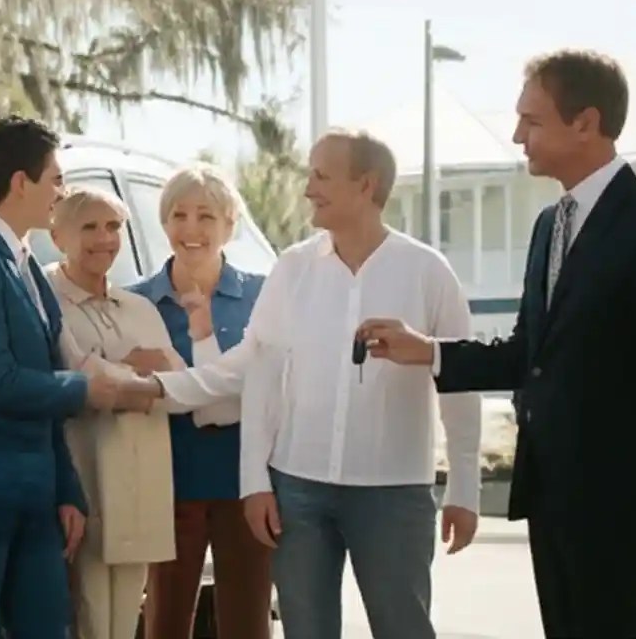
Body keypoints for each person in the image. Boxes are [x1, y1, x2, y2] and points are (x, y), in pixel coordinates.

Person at [359, 49, 636, 639]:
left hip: (616, 500)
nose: (518, 134)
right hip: (550, 493)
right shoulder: (550, 224)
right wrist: (430, 349)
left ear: (586, 123)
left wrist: (569, 406)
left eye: (532, 120)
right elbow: (530, 351)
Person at [129, 132, 482, 639]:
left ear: (366, 184)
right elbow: (253, 371)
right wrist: (253, 482)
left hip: (393, 493)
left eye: (320, 175)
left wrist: (464, 487)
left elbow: (460, 381)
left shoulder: (428, 271)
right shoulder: (293, 268)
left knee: (403, 628)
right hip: (297, 492)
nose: (308, 188)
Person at [0, 116, 152, 639]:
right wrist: (88, 390)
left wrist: (65, 489)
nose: (61, 193)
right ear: (21, 183)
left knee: (48, 626)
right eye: (55, 180)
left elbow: (41, 373)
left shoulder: (21, 260)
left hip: (32, 487)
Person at [123, 165, 274, 639]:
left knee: (247, 622)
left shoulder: (264, 295)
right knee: (164, 621)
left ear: (230, 225)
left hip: (244, 485)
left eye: (206, 216)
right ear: (163, 224)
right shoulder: (134, 303)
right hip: (166, 485)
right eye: (179, 215)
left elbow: (261, 386)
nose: (191, 229)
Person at [43, 185, 187, 639]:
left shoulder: (140, 307)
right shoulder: (45, 297)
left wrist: (127, 379)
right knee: (86, 613)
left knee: (125, 618)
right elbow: (77, 375)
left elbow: (182, 387)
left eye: (113, 227)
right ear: (57, 234)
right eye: (90, 226)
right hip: (83, 478)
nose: (104, 238)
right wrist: (140, 372)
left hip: (138, 484)